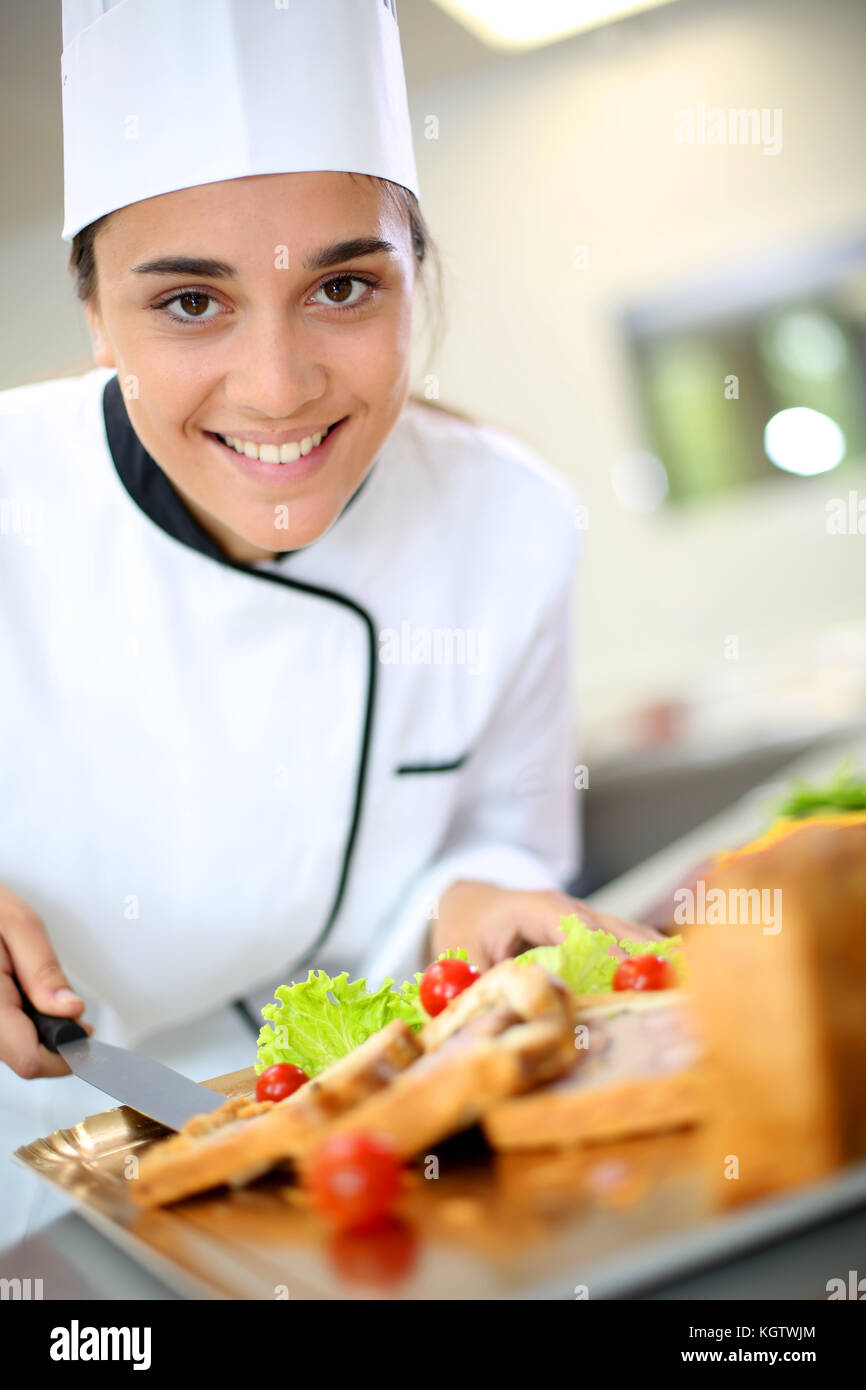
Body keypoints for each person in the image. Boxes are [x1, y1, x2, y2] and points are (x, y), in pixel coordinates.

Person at [0, 0, 658, 1249]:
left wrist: (474, 902)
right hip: (27, 1158)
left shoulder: (507, 521)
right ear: (95, 316)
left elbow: (505, 849)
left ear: (419, 275)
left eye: (342, 286)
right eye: (190, 303)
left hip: (355, 1125)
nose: (277, 387)